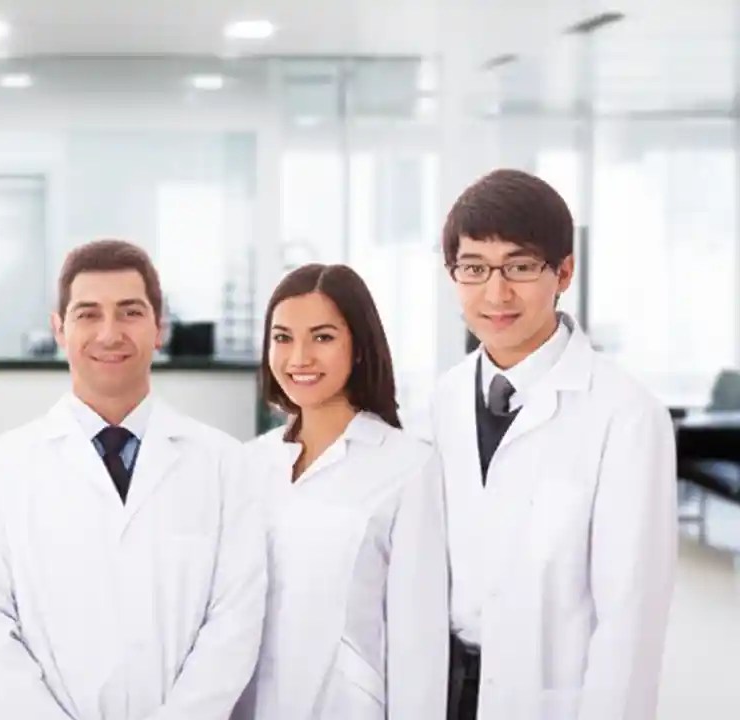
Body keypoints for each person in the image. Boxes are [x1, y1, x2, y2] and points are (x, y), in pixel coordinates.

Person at [0, 238, 266, 719]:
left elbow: (234, 624)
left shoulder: (223, 465)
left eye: (130, 312)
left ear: (159, 328)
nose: (110, 333)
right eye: (88, 314)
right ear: (60, 329)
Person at [430, 168, 677, 719]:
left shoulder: (627, 416)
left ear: (563, 271)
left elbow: (631, 622)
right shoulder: (444, 398)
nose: (496, 293)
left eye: (520, 266)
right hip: (447, 692)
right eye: (474, 268)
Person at [232, 264, 448, 720]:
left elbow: (418, 645)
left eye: (323, 337)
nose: (299, 357)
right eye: (283, 338)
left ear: (360, 348)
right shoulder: (246, 465)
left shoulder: (409, 467)